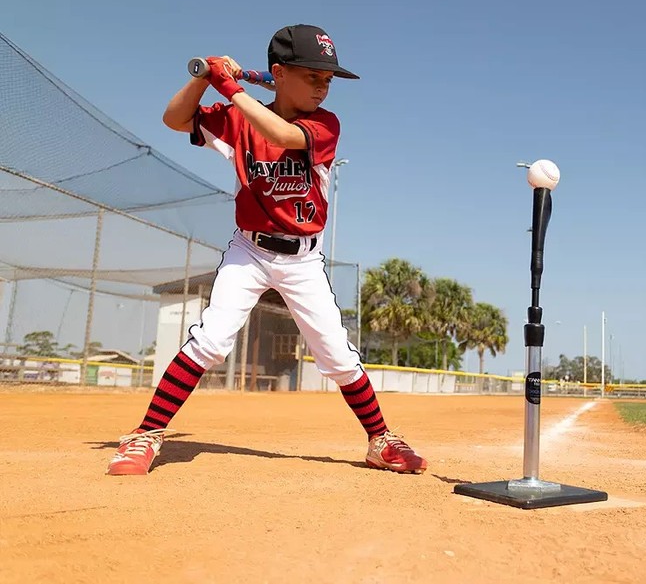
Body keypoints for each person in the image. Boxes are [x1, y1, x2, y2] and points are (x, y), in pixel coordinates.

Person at [105, 24, 427, 476]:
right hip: (249, 251)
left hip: (303, 259)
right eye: (312, 75)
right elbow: (174, 120)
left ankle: (380, 440)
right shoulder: (239, 118)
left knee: (335, 353)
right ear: (278, 73)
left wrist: (232, 87)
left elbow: (279, 135)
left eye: (327, 79)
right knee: (212, 339)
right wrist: (204, 79)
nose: (322, 86)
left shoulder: (323, 124)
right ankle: (145, 434)